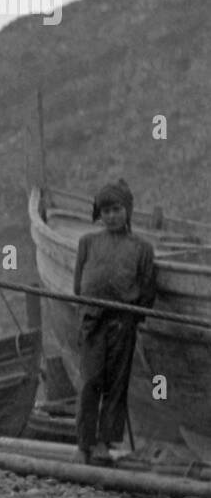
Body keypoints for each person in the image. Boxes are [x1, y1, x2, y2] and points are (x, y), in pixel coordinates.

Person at [73, 179, 157, 465]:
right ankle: (84, 443)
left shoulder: (142, 249)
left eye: (117, 209)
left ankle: (105, 443)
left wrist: (132, 318)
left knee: (116, 384)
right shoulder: (87, 243)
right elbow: (77, 286)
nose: (112, 216)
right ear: (99, 215)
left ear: (128, 211)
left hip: (123, 323)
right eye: (106, 211)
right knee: (91, 380)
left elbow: (147, 289)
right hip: (92, 321)